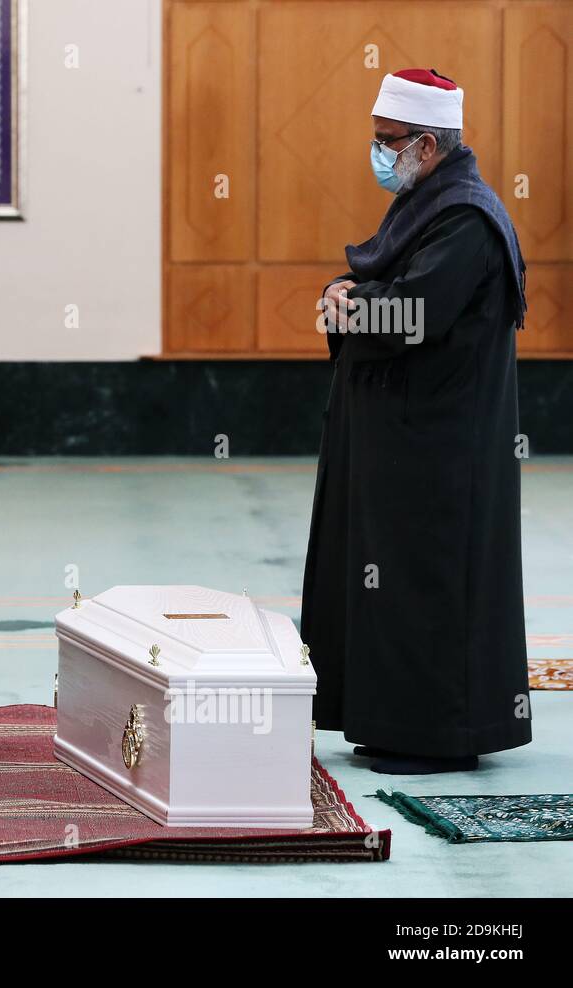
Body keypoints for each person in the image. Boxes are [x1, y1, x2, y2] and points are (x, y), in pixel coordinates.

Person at [301, 68, 531, 775]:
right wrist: (346, 292)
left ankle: (433, 732)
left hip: (439, 449)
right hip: (402, 438)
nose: (378, 155)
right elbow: (385, 282)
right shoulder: (427, 202)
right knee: (382, 582)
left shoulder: (465, 216)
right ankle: (385, 719)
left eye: (387, 142)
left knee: (423, 581)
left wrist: (348, 303)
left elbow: (415, 313)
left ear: (426, 145)